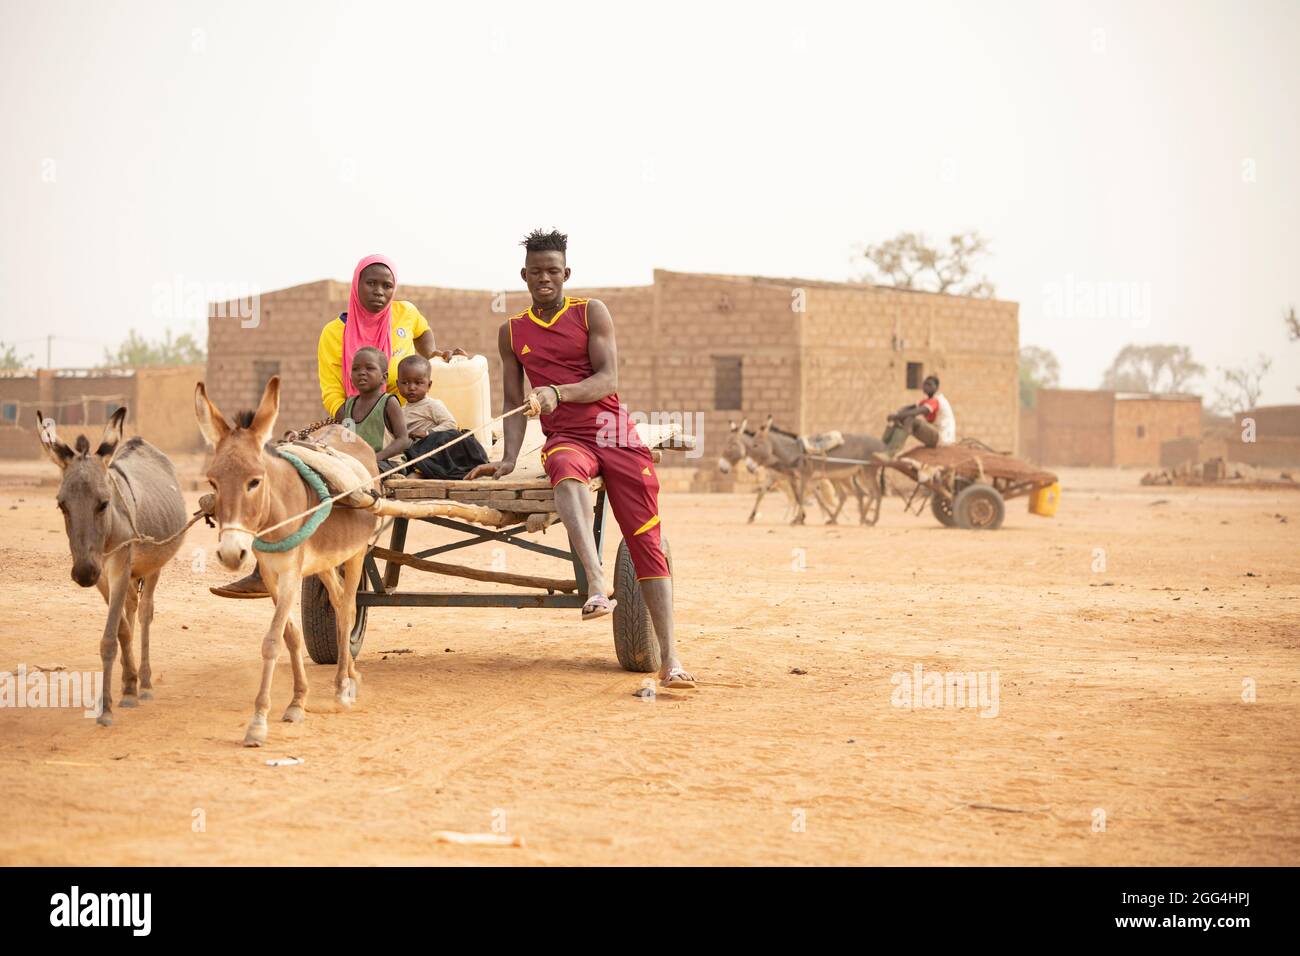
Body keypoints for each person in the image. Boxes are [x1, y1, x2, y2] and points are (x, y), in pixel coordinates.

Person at [467, 229, 695, 689]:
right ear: (524, 276)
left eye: (553, 271)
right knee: (566, 476)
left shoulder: (591, 312)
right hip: (567, 435)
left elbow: (608, 379)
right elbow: (513, 400)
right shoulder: (511, 332)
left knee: (646, 540)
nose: (544, 279)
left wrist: (558, 391)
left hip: (613, 430)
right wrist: (509, 458)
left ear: (566, 273)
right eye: (536, 273)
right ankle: (595, 585)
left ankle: (671, 660)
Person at [211, 253, 452, 599]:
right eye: (371, 283)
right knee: (293, 471)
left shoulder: (405, 314)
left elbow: (423, 332)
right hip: (351, 421)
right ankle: (262, 565)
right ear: (357, 285)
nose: (380, 292)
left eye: (387, 285)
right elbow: (332, 391)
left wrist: (434, 354)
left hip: (399, 415)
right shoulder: (333, 333)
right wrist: (355, 416)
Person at [335, 346, 411, 470]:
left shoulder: (388, 402)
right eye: (355, 369)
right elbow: (347, 439)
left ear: (384, 377)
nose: (361, 373)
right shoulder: (348, 405)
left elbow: (403, 439)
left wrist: (376, 457)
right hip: (358, 464)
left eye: (369, 368)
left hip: (388, 463)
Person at [879, 374, 956, 458]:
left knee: (910, 419)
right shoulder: (926, 400)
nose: (926, 387)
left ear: (936, 388)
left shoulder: (936, 400)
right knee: (901, 418)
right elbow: (909, 408)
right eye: (925, 384)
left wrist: (897, 416)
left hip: (942, 438)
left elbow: (915, 412)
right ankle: (883, 448)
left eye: (929, 385)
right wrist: (897, 415)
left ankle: (891, 452)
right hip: (936, 436)